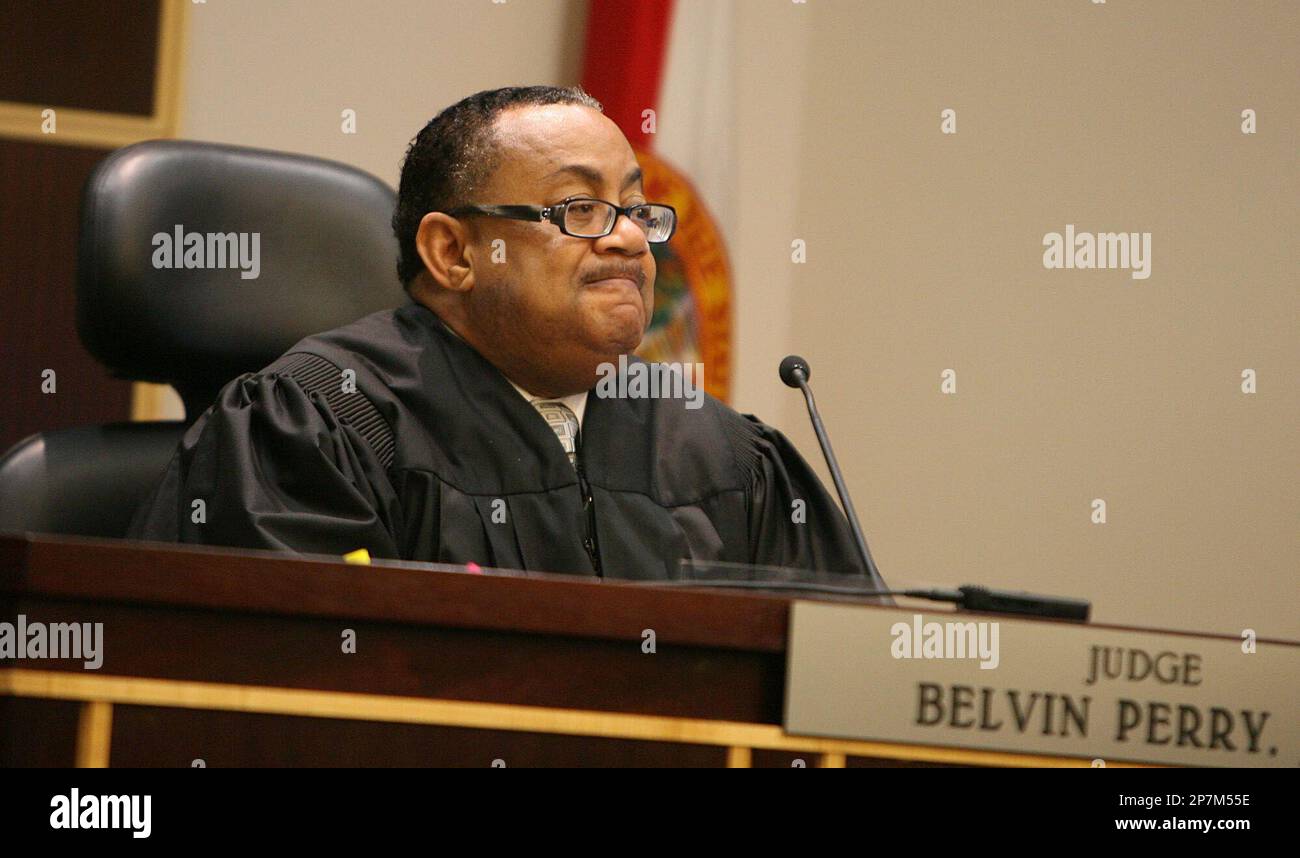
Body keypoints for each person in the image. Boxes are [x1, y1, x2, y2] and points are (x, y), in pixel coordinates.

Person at [129, 85, 880, 586]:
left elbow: (842, 691)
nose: (628, 242)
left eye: (637, 210)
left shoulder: (725, 459)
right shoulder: (315, 429)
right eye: (578, 209)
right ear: (455, 253)